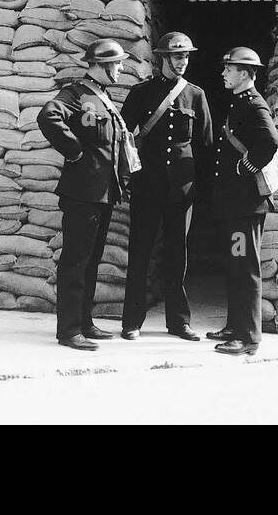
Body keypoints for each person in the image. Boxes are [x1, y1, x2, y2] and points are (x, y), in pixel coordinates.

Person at [37, 38, 135, 351]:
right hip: (82, 193)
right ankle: (68, 330)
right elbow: (47, 116)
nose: (121, 68)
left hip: (103, 193)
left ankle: (84, 322)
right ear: (101, 65)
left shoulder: (104, 97)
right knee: (75, 261)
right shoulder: (76, 93)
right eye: (117, 63)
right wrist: (75, 152)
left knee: (91, 261)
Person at [119, 31, 213, 341]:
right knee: (141, 253)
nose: (183, 61)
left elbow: (205, 145)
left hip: (181, 190)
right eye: (176, 56)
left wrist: (201, 187)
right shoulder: (142, 93)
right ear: (162, 58)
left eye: (186, 56)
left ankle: (179, 321)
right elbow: (123, 136)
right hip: (147, 187)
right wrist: (128, 175)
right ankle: (132, 321)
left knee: (178, 255)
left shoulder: (196, 96)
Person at [208, 47, 278, 356]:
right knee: (234, 264)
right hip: (235, 204)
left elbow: (270, 141)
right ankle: (234, 325)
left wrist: (246, 167)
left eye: (230, 69)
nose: (224, 73)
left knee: (244, 267)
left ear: (246, 74)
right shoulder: (239, 102)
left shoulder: (254, 105)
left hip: (245, 205)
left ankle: (247, 337)